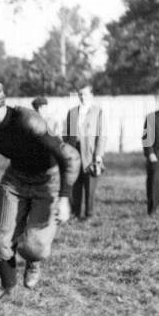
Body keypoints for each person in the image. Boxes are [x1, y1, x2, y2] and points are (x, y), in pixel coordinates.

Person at [0, 79, 80, 296]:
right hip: (15, 181)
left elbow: (69, 157)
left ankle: (33, 262)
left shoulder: (27, 121)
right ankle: (8, 290)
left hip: (48, 181)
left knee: (33, 247)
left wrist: (65, 197)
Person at [64, 85, 104, 219]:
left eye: (85, 94)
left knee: (90, 184)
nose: (82, 97)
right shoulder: (72, 112)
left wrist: (98, 155)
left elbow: (102, 136)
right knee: (75, 183)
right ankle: (75, 213)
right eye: (80, 94)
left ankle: (89, 214)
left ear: (91, 96)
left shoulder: (98, 112)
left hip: (90, 153)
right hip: (74, 152)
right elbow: (66, 134)